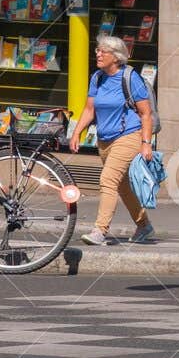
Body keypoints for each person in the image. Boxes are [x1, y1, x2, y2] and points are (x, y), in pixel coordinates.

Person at [67, 34, 156, 245]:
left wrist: (146, 144)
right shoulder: (97, 77)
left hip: (128, 136)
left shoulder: (129, 77)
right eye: (97, 50)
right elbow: (90, 109)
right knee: (123, 186)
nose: (97, 53)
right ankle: (144, 226)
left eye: (102, 51)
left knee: (107, 180)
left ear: (115, 57)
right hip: (104, 140)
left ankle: (100, 230)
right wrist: (76, 132)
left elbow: (146, 113)